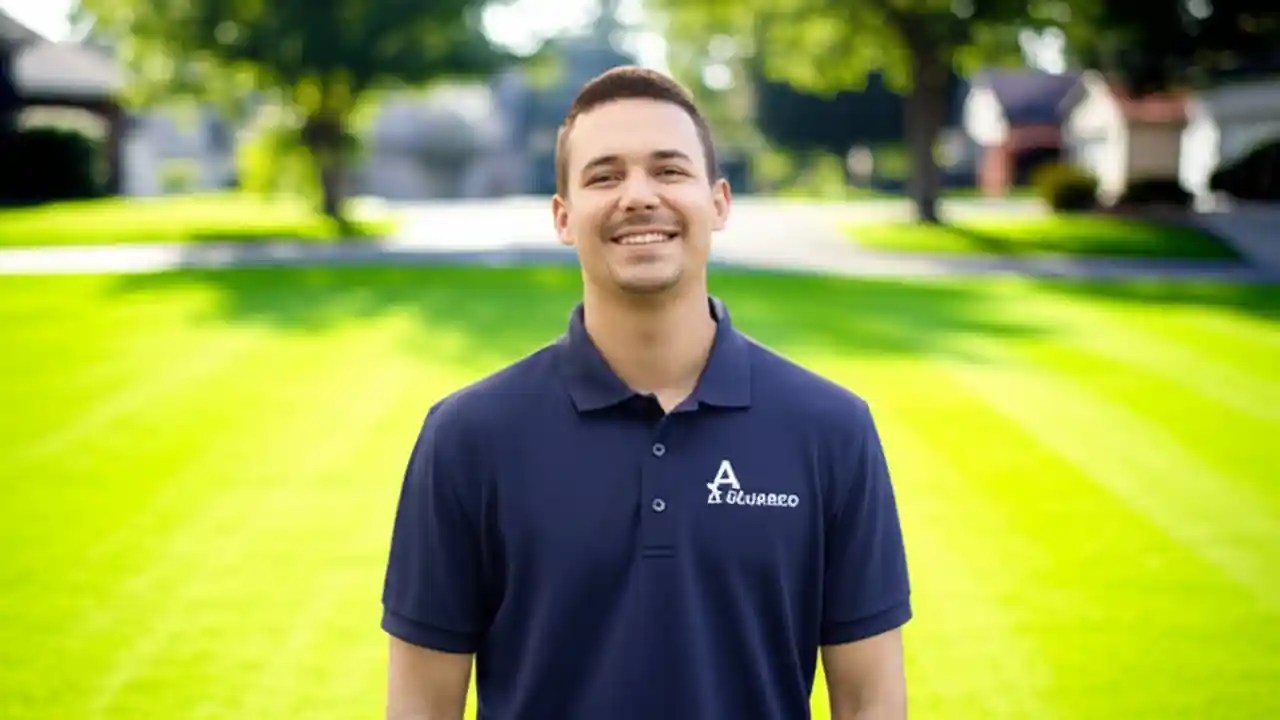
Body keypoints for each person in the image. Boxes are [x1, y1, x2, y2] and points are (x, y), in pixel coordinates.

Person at [382, 66, 912, 720]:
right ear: (563, 216)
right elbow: (421, 706)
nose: (638, 196)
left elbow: (869, 701)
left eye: (669, 170)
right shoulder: (468, 437)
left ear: (718, 203)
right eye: (604, 176)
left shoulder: (832, 430)